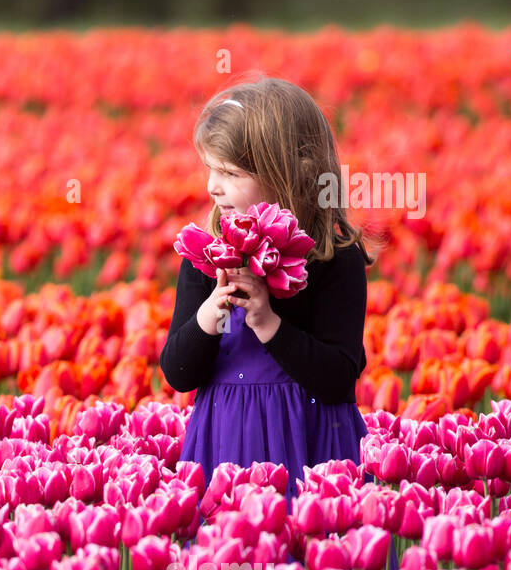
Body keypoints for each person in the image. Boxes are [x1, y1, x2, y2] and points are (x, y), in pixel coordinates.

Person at [159, 77, 375, 514]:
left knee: (311, 569)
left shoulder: (334, 260)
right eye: (210, 170)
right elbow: (178, 372)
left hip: (312, 445)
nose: (213, 187)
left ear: (288, 175)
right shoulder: (207, 257)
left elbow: (339, 378)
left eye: (231, 173)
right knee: (228, 567)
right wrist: (210, 314)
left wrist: (267, 323)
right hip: (223, 447)